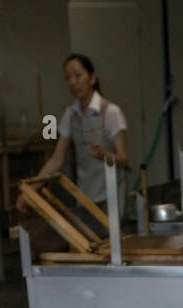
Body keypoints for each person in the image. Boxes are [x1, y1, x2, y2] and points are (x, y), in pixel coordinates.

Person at [17, 54, 129, 221]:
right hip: (84, 196)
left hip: (111, 198)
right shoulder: (70, 115)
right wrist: (30, 191)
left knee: (109, 244)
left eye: (77, 76)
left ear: (92, 79)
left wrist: (104, 155)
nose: (73, 82)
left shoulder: (110, 112)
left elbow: (124, 159)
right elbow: (56, 159)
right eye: (68, 78)